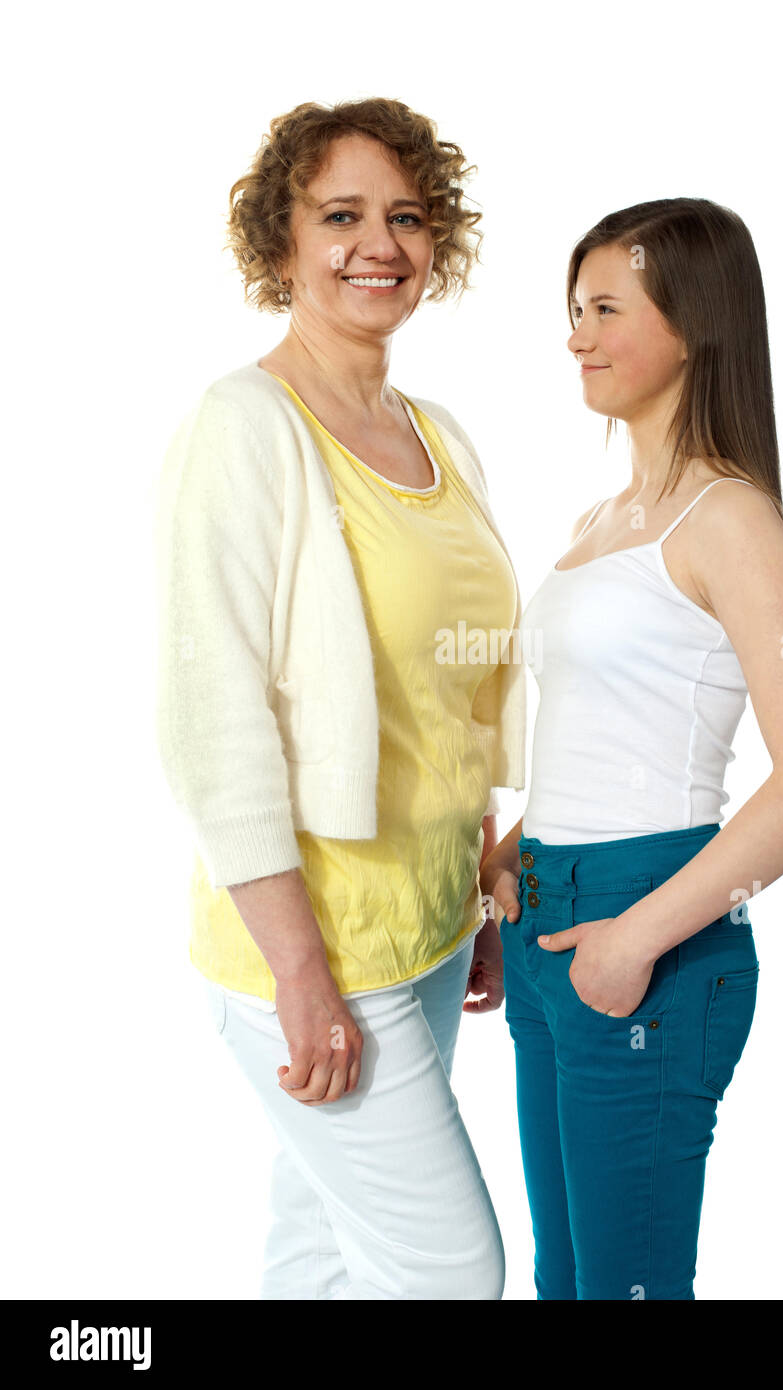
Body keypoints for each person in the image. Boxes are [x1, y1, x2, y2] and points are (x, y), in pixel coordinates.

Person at [153, 98, 525, 1300]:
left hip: (418, 922)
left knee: (325, 1246)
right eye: (342, 215)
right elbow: (214, 719)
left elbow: (454, 686)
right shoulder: (246, 426)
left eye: (407, 216)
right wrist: (299, 969)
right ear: (282, 245)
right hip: (312, 944)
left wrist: (472, 880)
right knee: (453, 1272)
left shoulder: (441, 437)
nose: (381, 243)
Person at [480, 198, 783, 1301]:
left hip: (652, 923)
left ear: (691, 324)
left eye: (605, 307)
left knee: (623, 1290)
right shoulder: (604, 521)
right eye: (573, 308)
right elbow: (598, 729)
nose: (576, 335)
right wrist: (514, 855)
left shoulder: (728, 520)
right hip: (556, 916)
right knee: (569, 1282)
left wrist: (637, 934)